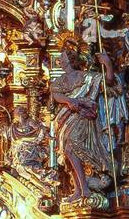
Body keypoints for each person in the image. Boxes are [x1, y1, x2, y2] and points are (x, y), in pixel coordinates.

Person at [51, 35, 122, 198]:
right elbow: (56, 95)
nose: (60, 62)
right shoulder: (60, 80)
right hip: (66, 118)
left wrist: (108, 64)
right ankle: (79, 189)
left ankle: (84, 188)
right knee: (67, 151)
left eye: (63, 58)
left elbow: (109, 82)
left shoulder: (88, 77)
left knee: (71, 147)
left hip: (83, 118)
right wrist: (70, 101)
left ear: (71, 59)